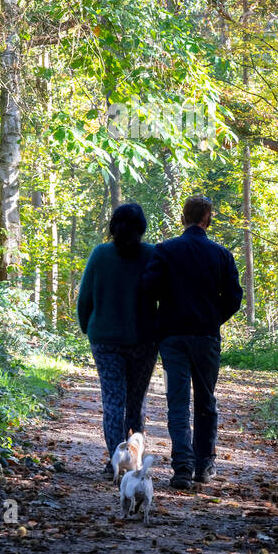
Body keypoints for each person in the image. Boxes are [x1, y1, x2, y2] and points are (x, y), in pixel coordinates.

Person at [141, 194, 242, 490]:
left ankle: (182, 468)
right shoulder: (221, 255)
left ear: (183, 218)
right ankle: (204, 466)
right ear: (207, 219)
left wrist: (164, 315)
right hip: (206, 337)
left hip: (172, 337)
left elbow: (148, 288)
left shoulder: (166, 250)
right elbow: (234, 298)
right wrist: (213, 318)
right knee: (206, 402)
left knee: (178, 401)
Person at [77, 202, 158, 478]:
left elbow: (84, 298)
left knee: (113, 402)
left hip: (106, 340)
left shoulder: (100, 255)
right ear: (142, 228)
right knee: (135, 403)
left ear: (113, 227)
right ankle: (134, 462)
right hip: (143, 341)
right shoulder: (152, 255)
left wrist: (87, 327)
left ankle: (116, 461)